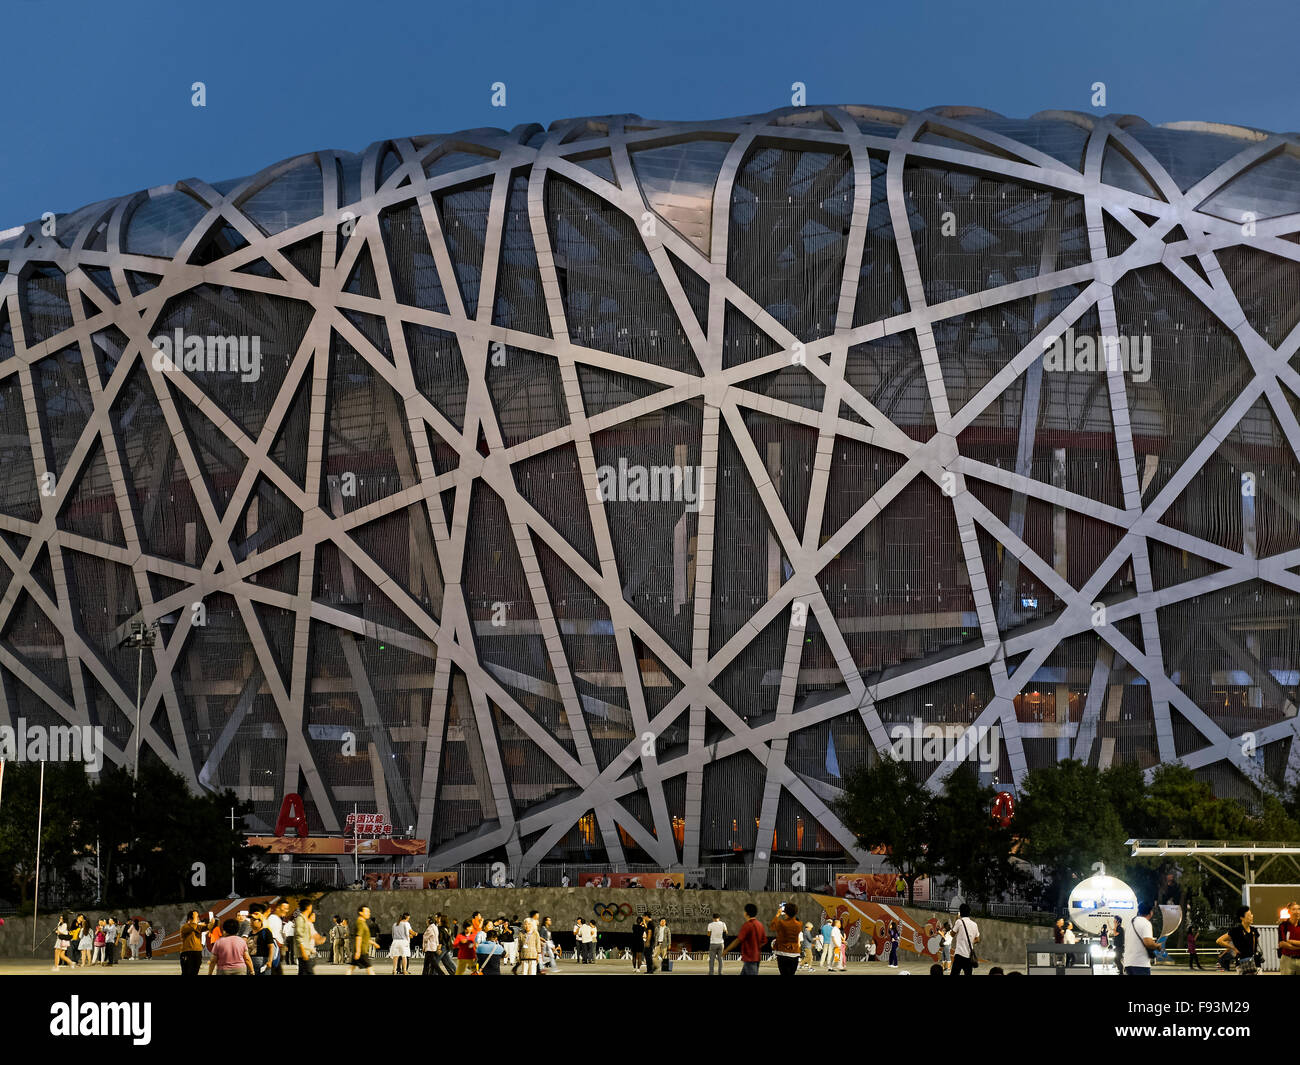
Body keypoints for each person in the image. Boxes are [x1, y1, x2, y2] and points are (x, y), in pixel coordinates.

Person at [723, 903, 768, 975]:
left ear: (746, 913)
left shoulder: (747, 925)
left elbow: (738, 940)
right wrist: (756, 947)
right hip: (756, 956)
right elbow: (764, 941)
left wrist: (726, 950)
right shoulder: (760, 924)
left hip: (749, 958)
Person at [1216, 906, 1260, 975]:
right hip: (1242, 963)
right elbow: (1219, 940)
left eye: (1251, 914)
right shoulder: (1236, 931)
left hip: (1255, 963)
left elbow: (1255, 947)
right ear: (1241, 918)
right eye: (1248, 915)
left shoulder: (1254, 930)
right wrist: (1233, 948)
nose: (1252, 916)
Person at [1123, 900, 1158, 976]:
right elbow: (1148, 943)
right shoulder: (1146, 923)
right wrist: (1157, 946)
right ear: (1151, 912)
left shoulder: (1130, 922)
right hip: (1140, 963)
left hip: (1128, 963)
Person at [770, 903, 802, 976]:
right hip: (795, 953)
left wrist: (777, 914)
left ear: (785, 912)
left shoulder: (781, 923)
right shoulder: (799, 924)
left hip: (783, 952)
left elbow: (772, 927)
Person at [951, 903, 980, 976]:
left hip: (959, 954)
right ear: (969, 912)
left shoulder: (959, 922)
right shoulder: (974, 924)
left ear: (960, 912)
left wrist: (956, 920)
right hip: (969, 956)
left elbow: (952, 934)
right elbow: (977, 939)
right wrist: (970, 941)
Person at [295, 899, 321, 975]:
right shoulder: (300, 919)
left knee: (303, 972)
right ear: (309, 907)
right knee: (309, 972)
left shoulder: (305, 919)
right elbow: (299, 937)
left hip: (306, 951)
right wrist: (303, 952)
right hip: (304, 952)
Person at [266, 900, 289, 975]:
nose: (287, 911)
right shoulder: (273, 919)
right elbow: (272, 937)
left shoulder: (278, 919)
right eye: (285, 908)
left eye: (287, 908)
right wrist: (280, 945)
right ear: (278, 908)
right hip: (274, 952)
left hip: (276, 951)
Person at [179, 910, 205, 977]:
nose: (198, 918)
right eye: (197, 917)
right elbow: (193, 926)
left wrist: (212, 921)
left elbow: (209, 927)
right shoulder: (185, 927)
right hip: (187, 952)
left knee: (195, 973)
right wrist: (195, 917)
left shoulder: (198, 926)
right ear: (190, 918)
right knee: (186, 973)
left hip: (197, 952)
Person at [350, 905, 374, 975]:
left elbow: (364, 937)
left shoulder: (362, 922)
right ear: (361, 913)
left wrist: (373, 943)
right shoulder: (360, 923)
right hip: (362, 951)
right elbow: (359, 936)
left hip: (361, 950)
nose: (369, 913)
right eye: (367, 911)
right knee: (370, 969)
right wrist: (358, 951)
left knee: (351, 968)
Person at [248, 910, 273, 975]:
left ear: (260, 921)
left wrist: (270, 961)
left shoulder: (266, 931)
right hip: (251, 962)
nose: (251, 921)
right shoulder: (250, 933)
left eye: (254, 920)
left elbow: (271, 947)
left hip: (263, 961)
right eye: (251, 919)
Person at [1280, 902, 1300, 976]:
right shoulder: (1283, 925)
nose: (1297, 912)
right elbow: (1282, 944)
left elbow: (1286, 942)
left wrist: (1290, 941)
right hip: (1287, 959)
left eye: (1299, 909)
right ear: (1289, 911)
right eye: (1294, 909)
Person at [518, 911, 541, 976]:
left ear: (532, 925)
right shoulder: (521, 933)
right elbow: (519, 945)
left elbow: (538, 944)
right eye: (525, 924)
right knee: (524, 972)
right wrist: (519, 955)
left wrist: (538, 955)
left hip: (533, 955)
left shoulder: (535, 933)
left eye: (529, 924)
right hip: (524, 955)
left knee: (532, 972)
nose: (527, 925)